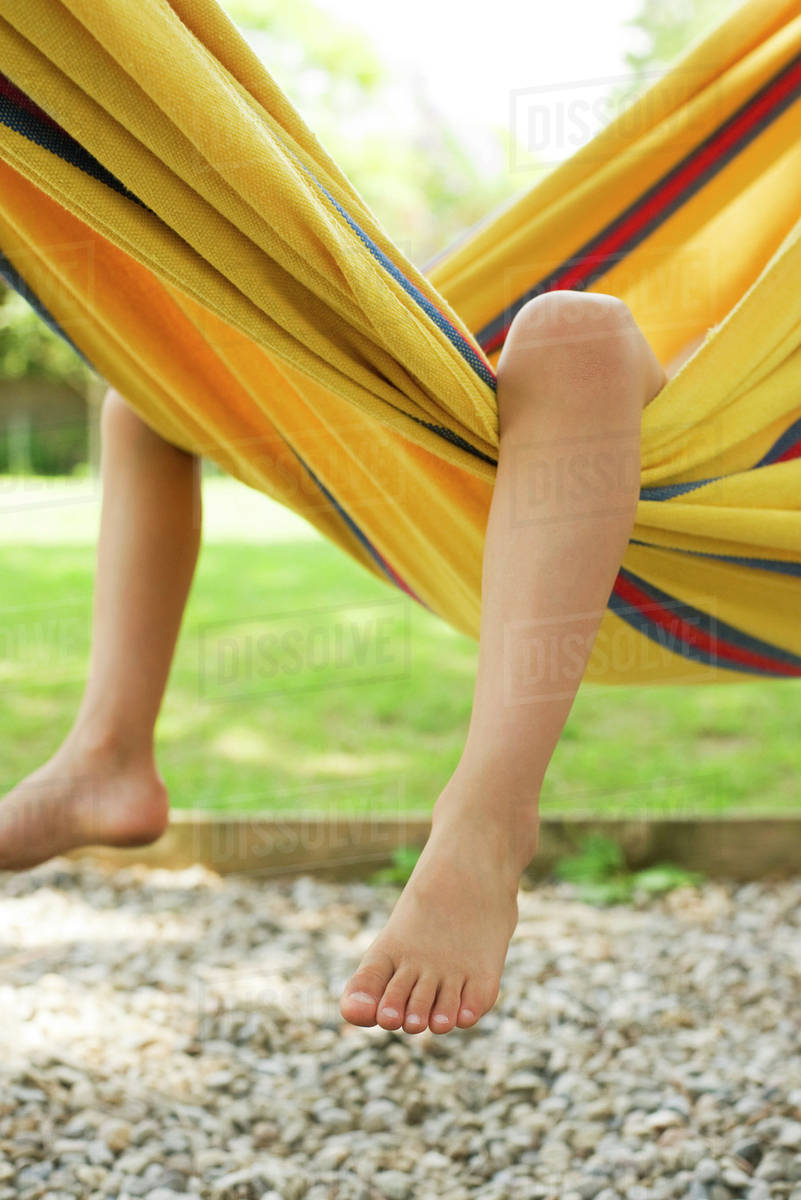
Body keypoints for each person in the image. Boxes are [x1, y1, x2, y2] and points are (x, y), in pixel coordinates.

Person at [0, 288, 703, 1034]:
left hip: (722, 442)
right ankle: (107, 753)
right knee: (159, 378)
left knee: (572, 330)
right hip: (510, 461)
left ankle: (486, 824)